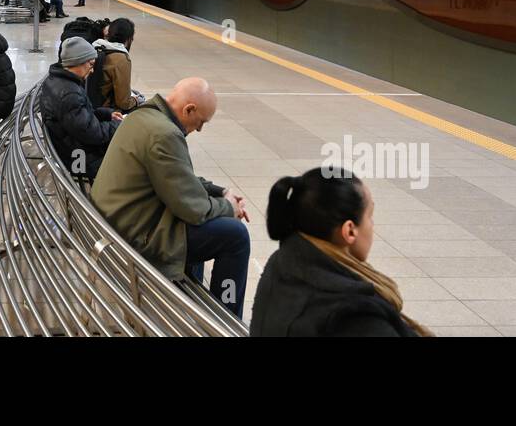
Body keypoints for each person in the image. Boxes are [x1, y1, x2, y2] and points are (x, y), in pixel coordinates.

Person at [91, 77, 250, 318]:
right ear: (189, 109)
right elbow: (192, 208)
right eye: (200, 123)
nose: (199, 130)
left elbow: (179, 178)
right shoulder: (164, 134)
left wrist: (220, 192)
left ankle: (191, 302)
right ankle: (226, 322)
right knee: (235, 235)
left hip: (116, 223)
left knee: (207, 225)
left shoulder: (143, 117)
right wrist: (228, 208)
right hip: (134, 237)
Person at [250, 168, 432, 337]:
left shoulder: (282, 260)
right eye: (369, 216)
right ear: (350, 231)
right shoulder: (356, 314)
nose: (372, 225)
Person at [40, 37, 122, 181]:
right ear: (76, 63)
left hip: (71, 148)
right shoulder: (69, 93)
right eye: (90, 64)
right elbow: (92, 133)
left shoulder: (60, 81)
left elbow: (81, 118)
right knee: (136, 161)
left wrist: (108, 115)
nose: (92, 71)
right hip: (79, 159)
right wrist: (118, 126)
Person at [93, 17, 139, 111]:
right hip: (104, 110)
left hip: (90, 102)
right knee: (140, 98)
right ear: (128, 39)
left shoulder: (96, 47)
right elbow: (123, 103)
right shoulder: (121, 59)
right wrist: (135, 100)